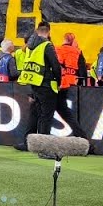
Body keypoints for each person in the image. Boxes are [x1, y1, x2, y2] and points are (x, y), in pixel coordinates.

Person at [15, 22, 61, 150]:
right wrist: (59, 82)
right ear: (49, 31)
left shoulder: (29, 46)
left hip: (34, 84)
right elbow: (55, 66)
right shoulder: (47, 45)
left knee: (34, 114)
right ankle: (42, 146)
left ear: (37, 31)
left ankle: (27, 143)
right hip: (46, 84)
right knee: (46, 116)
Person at [54, 33, 90, 139]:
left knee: (46, 112)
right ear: (74, 41)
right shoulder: (78, 52)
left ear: (64, 39)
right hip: (72, 85)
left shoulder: (56, 49)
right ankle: (82, 137)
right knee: (69, 113)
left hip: (58, 84)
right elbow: (83, 73)